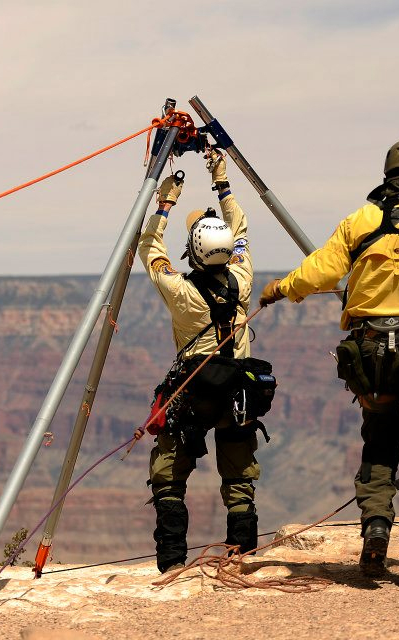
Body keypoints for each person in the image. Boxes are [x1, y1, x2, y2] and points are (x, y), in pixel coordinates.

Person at [259, 140, 399, 588]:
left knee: (379, 446)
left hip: (371, 355)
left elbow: (320, 272)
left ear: (387, 177)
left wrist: (280, 288)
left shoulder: (360, 222)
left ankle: (376, 531)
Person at [137, 149, 267, 574]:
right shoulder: (243, 279)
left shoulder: (180, 292)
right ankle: (240, 557)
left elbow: (148, 246)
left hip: (193, 393)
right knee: (239, 477)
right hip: (238, 394)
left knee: (169, 476)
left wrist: (165, 202)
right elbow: (240, 228)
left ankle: (173, 563)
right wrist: (222, 181)